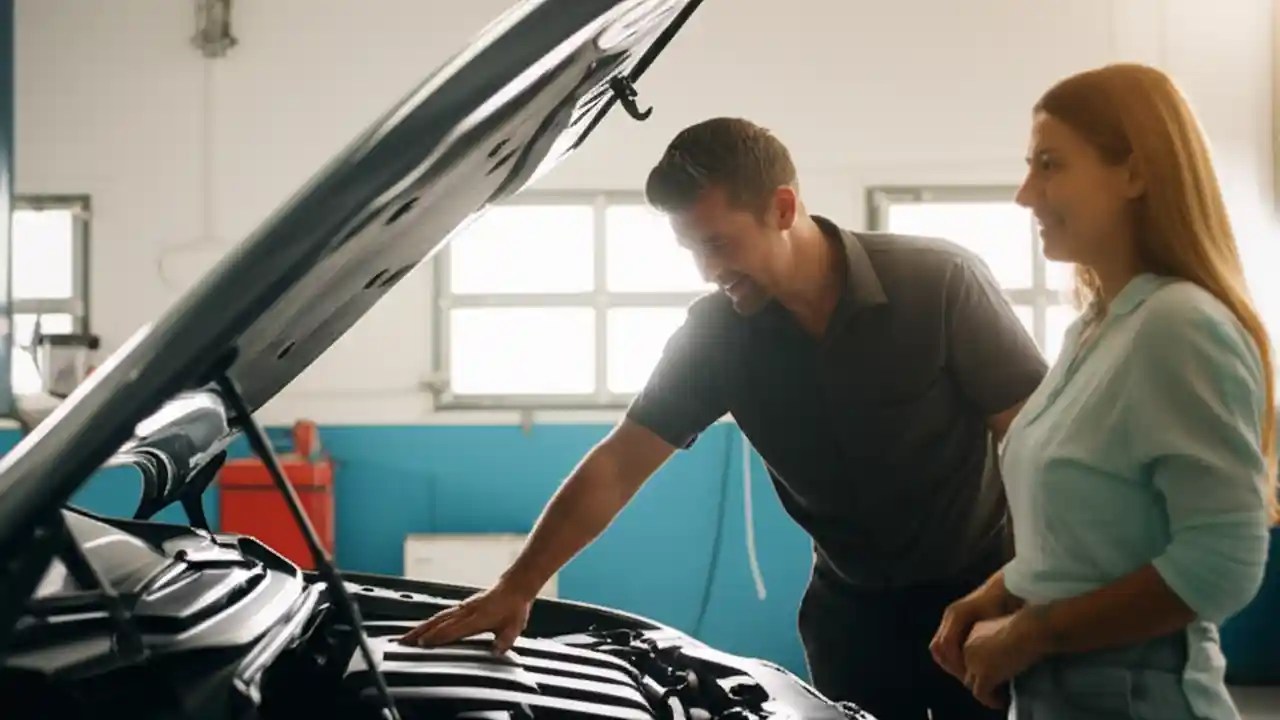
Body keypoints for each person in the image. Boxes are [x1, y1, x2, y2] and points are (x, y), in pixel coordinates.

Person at [400, 116, 1049, 719]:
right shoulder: (716, 336)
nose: (709, 271)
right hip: (849, 617)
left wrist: (1021, 588)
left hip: (981, 595)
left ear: (783, 208)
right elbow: (618, 466)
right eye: (692, 250)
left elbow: (1034, 442)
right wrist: (518, 586)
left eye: (719, 243)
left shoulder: (939, 283)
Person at [929, 63, 1277, 719]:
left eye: (1050, 164)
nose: (1025, 194)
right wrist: (1001, 593)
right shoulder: (1098, 328)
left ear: (1136, 173)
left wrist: (1034, 631)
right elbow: (1091, 537)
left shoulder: (1179, 326)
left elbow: (1222, 561)